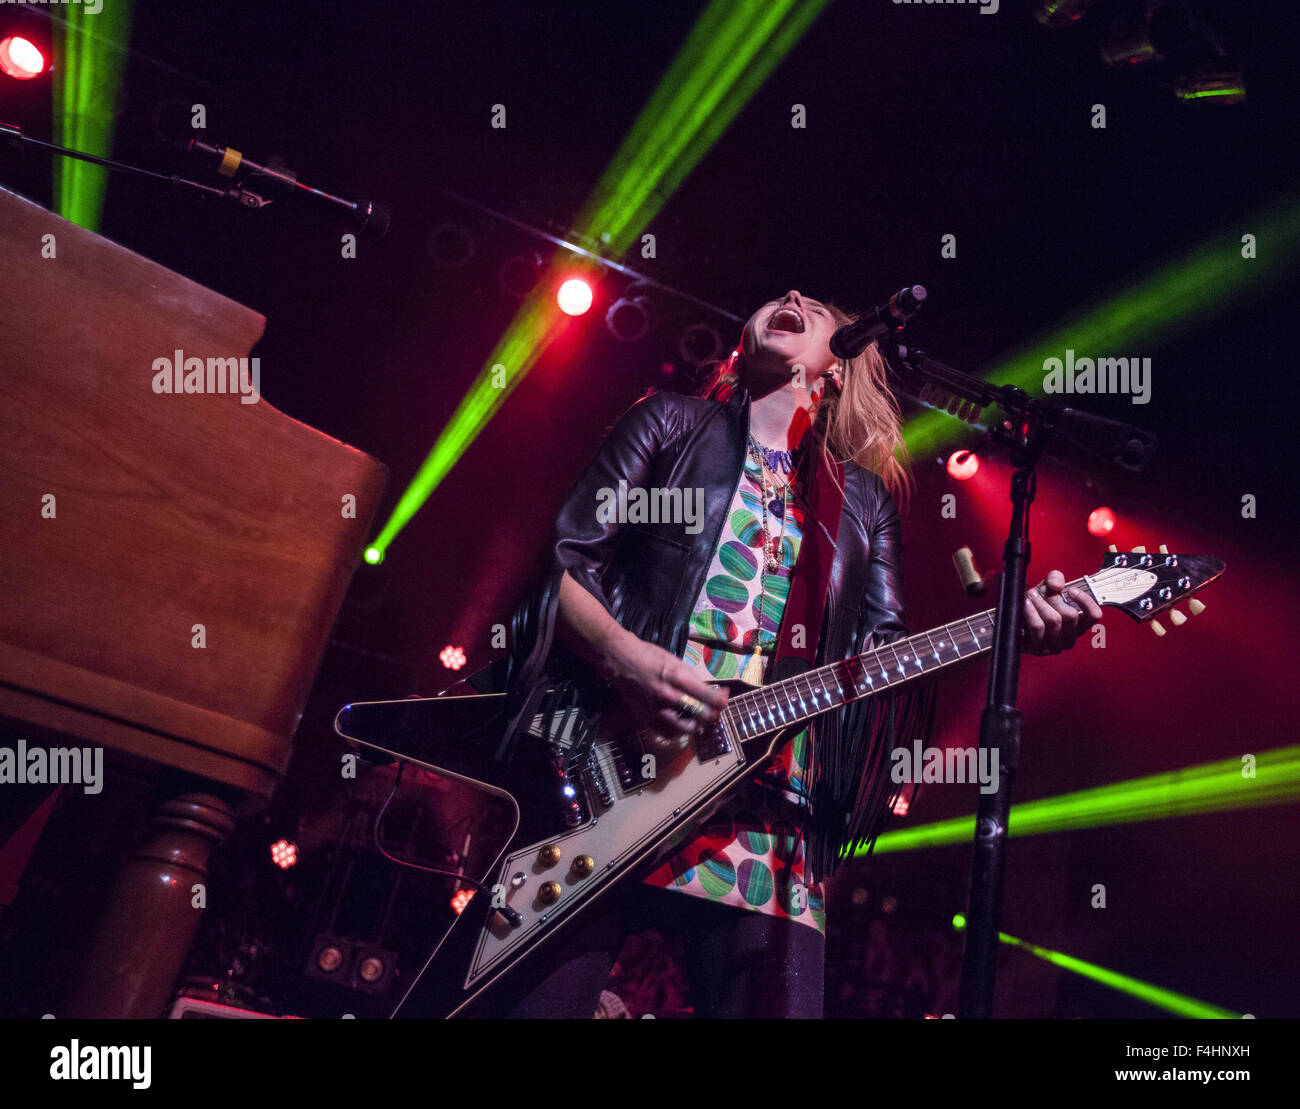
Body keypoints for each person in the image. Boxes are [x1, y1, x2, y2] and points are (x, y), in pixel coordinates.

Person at [487, 289, 1101, 1019]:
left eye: (816, 310)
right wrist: (627, 657)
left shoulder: (860, 502)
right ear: (743, 345)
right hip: (605, 774)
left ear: (837, 371)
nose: (794, 296)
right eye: (781, 297)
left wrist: (1000, 618)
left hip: (765, 815)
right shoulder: (670, 422)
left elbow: (882, 653)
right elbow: (557, 568)